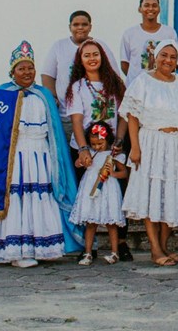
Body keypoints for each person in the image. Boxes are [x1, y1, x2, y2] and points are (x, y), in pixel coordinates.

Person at [0, 41, 83, 267]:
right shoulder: (2, 93)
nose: (27, 72)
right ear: (12, 71)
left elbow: (54, 130)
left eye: (30, 68)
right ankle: (14, 250)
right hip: (13, 157)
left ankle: (40, 247)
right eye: (21, 68)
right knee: (16, 199)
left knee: (39, 197)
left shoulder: (44, 95)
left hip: (40, 155)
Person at [119, 40, 178, 266]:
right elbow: (132, 116)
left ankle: (165, 245)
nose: (168, 60)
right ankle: (154, 249)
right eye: (164, 55)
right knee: (151, 195)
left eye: (173, 57)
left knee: (170, 195)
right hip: (152, 141)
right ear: (156, 56)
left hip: (177, 145)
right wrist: (134, 147)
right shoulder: (143, 81)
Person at [65, 38, 131, 260]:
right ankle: (86, 246)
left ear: (102, 56)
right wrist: (83, 148)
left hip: (112, 149)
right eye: (87, 55)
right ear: (80, 61)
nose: (92, 58)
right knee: (87, 196)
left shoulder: (116, 83)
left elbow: (123, 115)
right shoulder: (78, 87)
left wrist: (119, 142)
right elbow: (76, 120)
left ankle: (119, 245)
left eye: (95, 54)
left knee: (116, 193)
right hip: (88, 150)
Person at [42, 10, 118, 139]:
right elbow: (47, 75)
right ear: (70, 27)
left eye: (84, 24)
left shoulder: (100, 46)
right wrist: (53, 98)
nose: (80, 27)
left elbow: (114, 75)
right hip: (66, 116)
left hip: (96, 117)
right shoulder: (59, 46)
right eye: (76, 24)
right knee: (70, 155)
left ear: (90, 27)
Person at [69, 121, 127, 266]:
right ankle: (88, 252)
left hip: (108, 189)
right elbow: (77, 163)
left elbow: (124, 173)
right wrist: (83, 161)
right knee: (91, 222)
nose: (96, 147)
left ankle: (115, 252)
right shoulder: (90, 153)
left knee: (111, 223)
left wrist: (112, 173)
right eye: (93, 144)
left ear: (108, 140)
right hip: (91, 189)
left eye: (100, 144)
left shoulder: (113, 155)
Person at [120, 0, 178, 85]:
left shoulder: (169, 33)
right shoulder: (129, 34)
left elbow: (174, 62)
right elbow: (124, 63)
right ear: (140, 9)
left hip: (161, 86)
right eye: (146, 5)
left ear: (159, 9)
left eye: (154, 5)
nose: (150, 8)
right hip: (136, 88)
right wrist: (138, 82)